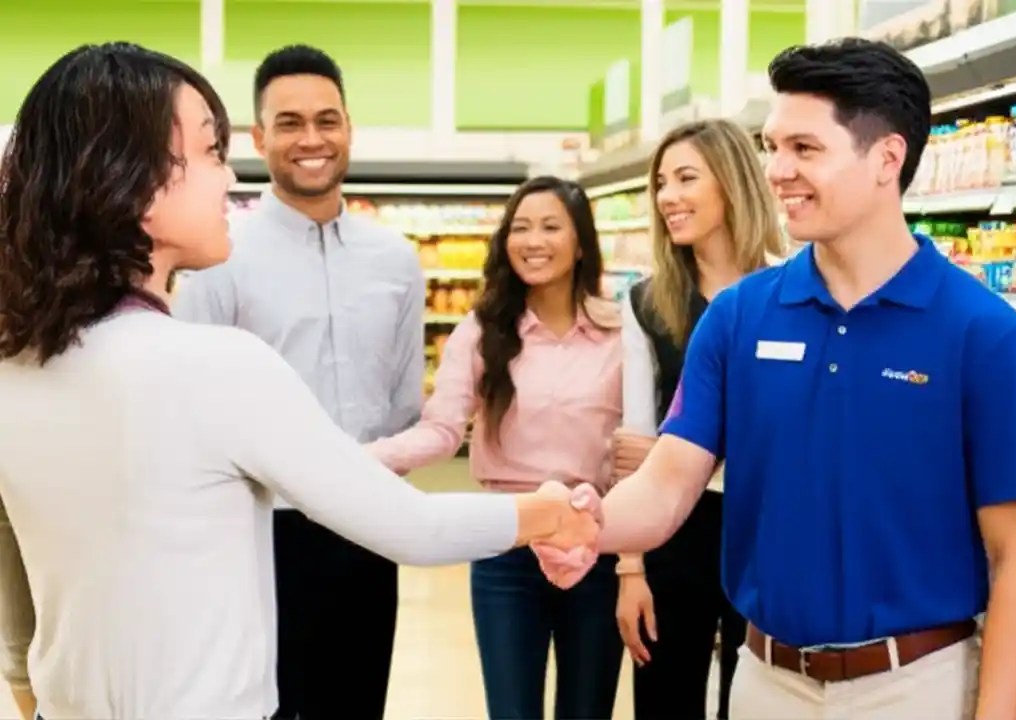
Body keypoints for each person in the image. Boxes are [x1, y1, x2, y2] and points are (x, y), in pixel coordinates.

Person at [0, 42, 597, 720]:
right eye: (209, 152)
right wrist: (551, 512)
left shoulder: (15, 365)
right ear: (131, 178)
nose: (229, 180)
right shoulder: (217, 366)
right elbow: (413, 524)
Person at [538, 38, 1016, 720]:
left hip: (919, 685)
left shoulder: (981, 333)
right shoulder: (737, 319)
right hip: (766, 681)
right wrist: (585, 523)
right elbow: (667, 487)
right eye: (772, 146)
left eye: (805, 149)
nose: (776, 171)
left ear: (886, 159)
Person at [171, 45, 421, 720]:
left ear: (348, 128)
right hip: (262, 531)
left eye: (326, 119)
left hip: (370, 524)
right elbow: (193, 403)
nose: (311, 139)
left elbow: (402, 404)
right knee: (268, 705)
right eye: (289, 123)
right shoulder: (222, 257)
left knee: (360, 700)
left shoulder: (395, 260)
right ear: (260, 138)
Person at [366, 175, 625, 720]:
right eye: (521, 227)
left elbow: (636, 455)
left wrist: (635, 563)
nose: (533, 240)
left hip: (595, 544)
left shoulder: (622, 333)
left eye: (551, 227)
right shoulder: (483, 330)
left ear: (581, 243)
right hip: (506, 545)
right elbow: (441, 431)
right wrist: (360, 461)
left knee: (589, 709)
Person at [613, 118, 784, 720]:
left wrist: (681, 449)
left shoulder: (789, 291)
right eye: (661, 183)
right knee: (664, 697)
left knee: (760, 695)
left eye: (687, 178)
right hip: (672, 530)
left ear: (733, 183)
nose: (668, 198)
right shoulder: (644, 302)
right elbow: (634, 447)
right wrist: (629, 569)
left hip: (768, 527)